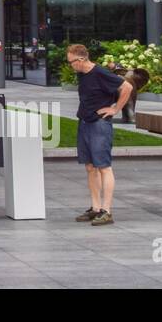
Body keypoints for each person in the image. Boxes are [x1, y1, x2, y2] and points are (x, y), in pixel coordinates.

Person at [67, 43, 133, 226]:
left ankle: (106, 211)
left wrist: (115, 108)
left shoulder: (100, 73)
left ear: (80, 60)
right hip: (85, 121)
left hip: (99, 124)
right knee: (90, 166)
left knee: (103, 166)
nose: (70, 66)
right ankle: (95, 208)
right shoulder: (82, 73)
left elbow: (127, 87)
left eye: (71, 62)